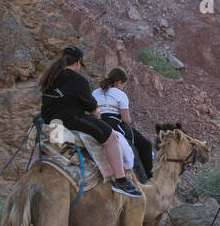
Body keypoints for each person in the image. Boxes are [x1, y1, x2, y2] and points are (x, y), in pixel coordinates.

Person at [39, 46, 142, 197]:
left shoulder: (50, 77)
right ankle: (121, 180)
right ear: (78, 62)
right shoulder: (78, 80)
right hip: (71, 120)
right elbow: (92, 107)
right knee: (112, 138)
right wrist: (98, 120)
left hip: (50, 120)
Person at [93, 67, 154, 182]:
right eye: (123, 85)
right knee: (145, 144)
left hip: (97, 123)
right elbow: (126, 119)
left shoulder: (95, 92)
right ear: (118, 82)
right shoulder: (120, 94)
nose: (122, 88)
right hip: (115, 125)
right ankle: (148, 178)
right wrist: (130, 121)